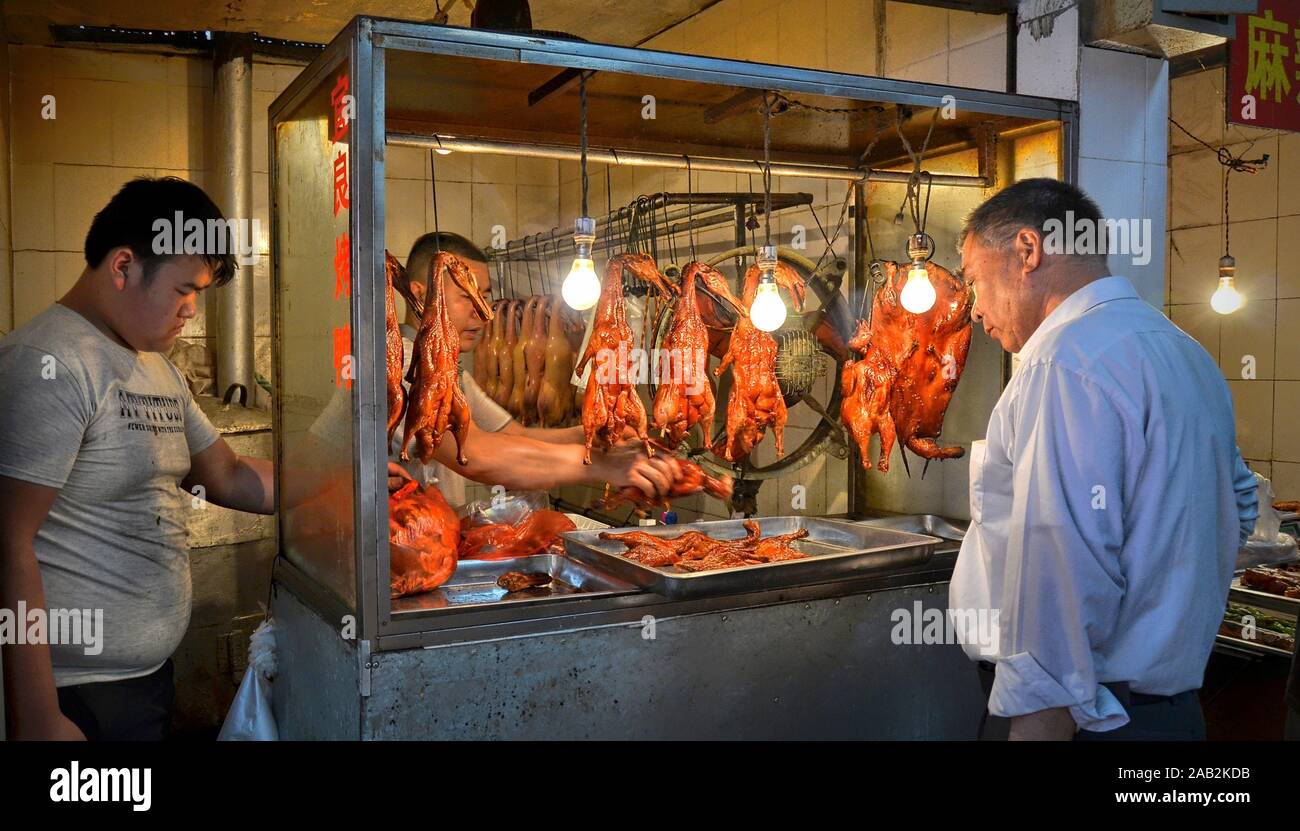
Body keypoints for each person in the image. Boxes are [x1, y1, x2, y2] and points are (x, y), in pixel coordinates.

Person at [948, 178, 1258, 741]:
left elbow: (1061, 566)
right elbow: (1241, 505)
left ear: (1027, 251)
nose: (974, 311)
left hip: (1086, 718)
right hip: (1171, 713)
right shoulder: (1183, 351)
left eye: (974, 283)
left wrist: (1039, 721)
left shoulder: (1062, 364)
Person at [0, 177, 277, 740]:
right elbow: (7, 541)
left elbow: (224, 473)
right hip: (74, 695)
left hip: (143, 682)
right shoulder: (50, 363)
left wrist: (346, 485)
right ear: (123, 266)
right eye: (183, 289)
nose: (191, 311)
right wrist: (38, 716)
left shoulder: (153, 364)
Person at [381, 231, 681, 506]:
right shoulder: (405, 364)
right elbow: (476, 454)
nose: (483, 312)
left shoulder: (452, 373)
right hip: (397, 552)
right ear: (420, 296)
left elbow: (513, 434)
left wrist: (590, 438)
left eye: (484, 296)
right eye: (466, 296)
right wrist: (603, 465)